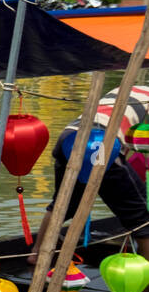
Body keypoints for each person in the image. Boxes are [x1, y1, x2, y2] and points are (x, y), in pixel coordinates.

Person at [31, 85, 149, 263]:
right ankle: (146, 284)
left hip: (70, 136)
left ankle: (36, 253)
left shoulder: (128, 88)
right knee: (142, 220)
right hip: (103, 142)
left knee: (63, 204)